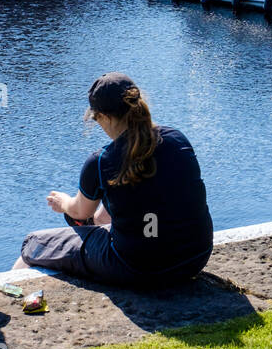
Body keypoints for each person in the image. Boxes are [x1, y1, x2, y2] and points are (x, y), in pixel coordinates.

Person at [17, 73, 213, 289]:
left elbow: (79, 212)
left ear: (105, 116)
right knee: (123, 208)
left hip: (137, 268)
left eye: (96, 119)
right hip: (195, 258)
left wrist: (63, 202)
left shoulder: (101, 161)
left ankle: (13, 293)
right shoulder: (177, 139)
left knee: (32, 244)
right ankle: (99, 229)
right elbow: (149, 195)